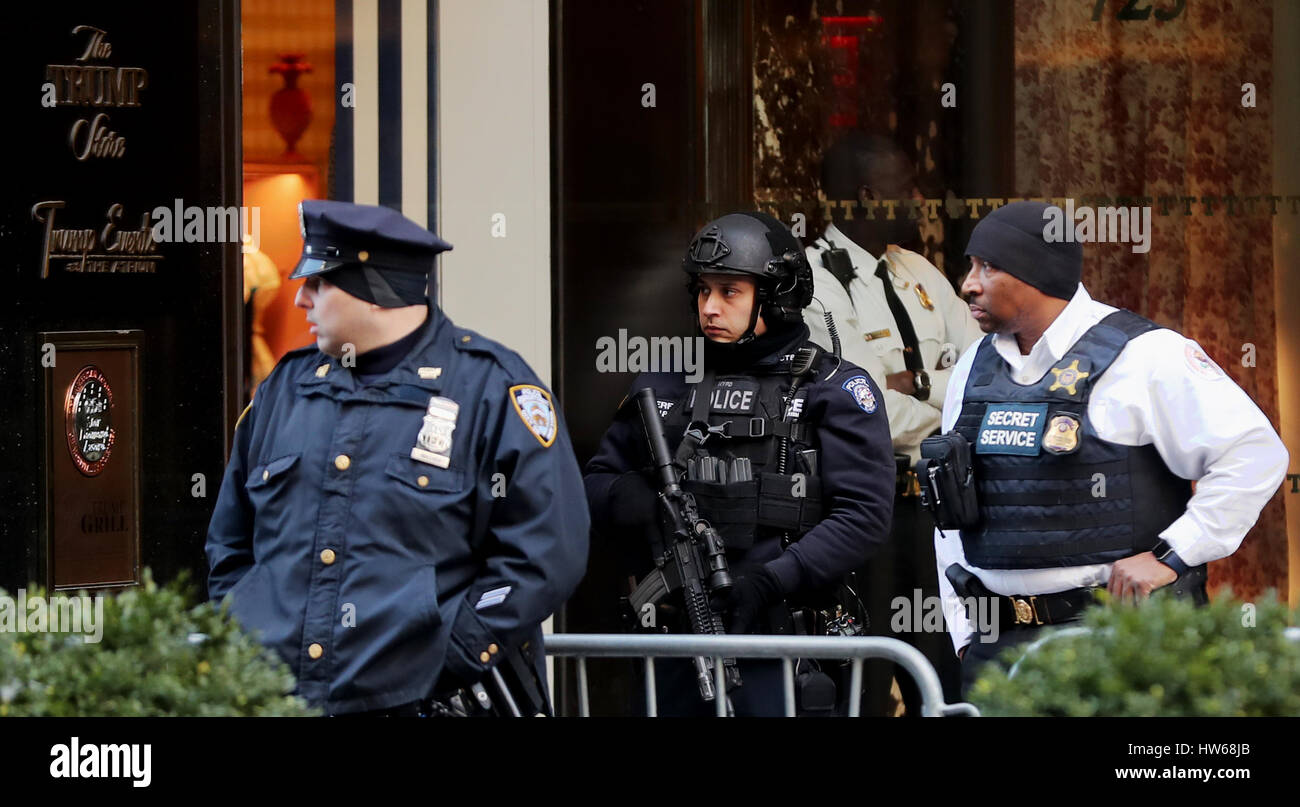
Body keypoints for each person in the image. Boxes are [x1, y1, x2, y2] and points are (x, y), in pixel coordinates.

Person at [205, 200, 590, 716]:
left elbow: (545, 555)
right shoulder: (286, 389)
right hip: (282, 700)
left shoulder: (490, 388)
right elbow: (230, 541)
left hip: (424, 701)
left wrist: (453, 650)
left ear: (377, 291)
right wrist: (244, 628)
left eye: (320, 283)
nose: (301, 299)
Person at [934, 200, 1288, 695]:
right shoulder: (973, 365)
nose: (968, 283)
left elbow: (1254, 454)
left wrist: (1172, 555)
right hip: (1000, 650)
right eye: (971, 266)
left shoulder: (1145, 354)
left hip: (1121, 641)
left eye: (988, 266)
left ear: (1037, 272)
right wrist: (965, 636)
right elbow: (950, 504)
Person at [583, 212, 895, 716]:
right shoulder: (664, 383)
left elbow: (863, 516)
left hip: (784, 645)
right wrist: (626, 497)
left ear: (774, 296)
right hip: (675, 646)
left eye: (729, 292)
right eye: (703, 291)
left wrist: (772, 581)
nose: (709, 307)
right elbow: (594, 483)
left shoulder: (832, 389)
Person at [804, 131, 981, 714]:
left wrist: (919, 383)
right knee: (869, 679)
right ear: (866, 194)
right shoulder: (813, 284)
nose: (918, 198)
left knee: (951, 664)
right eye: (904, 187)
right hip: (865, 508)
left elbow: (983, 372)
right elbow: (863, 408)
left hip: (939, 508)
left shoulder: (921, 275)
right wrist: (942, 412)